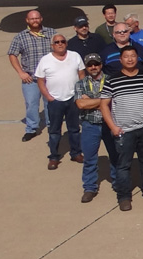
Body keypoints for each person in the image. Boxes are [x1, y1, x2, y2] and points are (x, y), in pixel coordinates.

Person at [100, 45, 143, 212]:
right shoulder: (112, 80)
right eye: (126, 56)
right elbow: (104, 105)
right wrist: (113, 127)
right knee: (123, 166)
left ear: (138, 58)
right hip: (124, 131)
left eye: (133, 56)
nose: (130, 59)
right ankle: (124, 197)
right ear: (120, 60)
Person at [35, 33, 83, 169]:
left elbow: (81, 74)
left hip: (73, 99)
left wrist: (79, 94)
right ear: (52, 45)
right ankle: (54, 157)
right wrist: (49, 97)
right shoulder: (45, 60)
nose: (60, 44)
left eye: (63, 41)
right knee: (54, 131)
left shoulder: (75, 56)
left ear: (66, 43)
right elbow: (40, 80)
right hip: (55, 101)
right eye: (57, 42)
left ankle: (76, 153)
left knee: (74, 129)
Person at [74, 54, 116, 203]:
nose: (93, 67)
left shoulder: (112, 80)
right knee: (90, 158)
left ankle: (118, 184)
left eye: (96, 64)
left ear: (101, 65)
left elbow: (115, 101)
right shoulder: (81, 84)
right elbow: (80, 105)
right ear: (86, 67)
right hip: (90, 125)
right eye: (90, 65)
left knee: (115, 156)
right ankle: (90, 187)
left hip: (110, 124)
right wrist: (104, 101)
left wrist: (91, 101)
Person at [10, 10, 57, 141]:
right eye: (32, 19)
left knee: (50, 103)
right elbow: (12, 54)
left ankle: (52, 127)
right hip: (30, 79)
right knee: (31, 104)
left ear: (41, 19)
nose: (35, 20)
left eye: (37, 18)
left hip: (49, 78)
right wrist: (21, 72)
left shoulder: (52, 33)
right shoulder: (20, 37)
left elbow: (61, 48)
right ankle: (31, 128)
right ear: (27, 20)